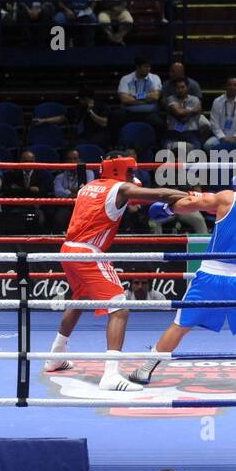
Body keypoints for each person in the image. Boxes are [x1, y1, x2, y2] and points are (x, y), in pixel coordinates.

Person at [132, 169, 236, 393]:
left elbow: (188, 205)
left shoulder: (228, 197)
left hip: (208, 277)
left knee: (180, 325)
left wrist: (167, 208)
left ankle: (145, 369)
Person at [42, 154, 187, 392]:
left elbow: (129, 191)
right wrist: (192, 196)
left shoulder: (88, 187)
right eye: (130, 171)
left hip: (68, 249)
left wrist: (133, 186)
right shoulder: (121, 188)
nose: (133, 176)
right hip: (88, 252)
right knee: (119, 306)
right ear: (120, 172)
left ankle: (55, 356)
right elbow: (159, 194)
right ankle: (110, 374)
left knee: (79, 300)